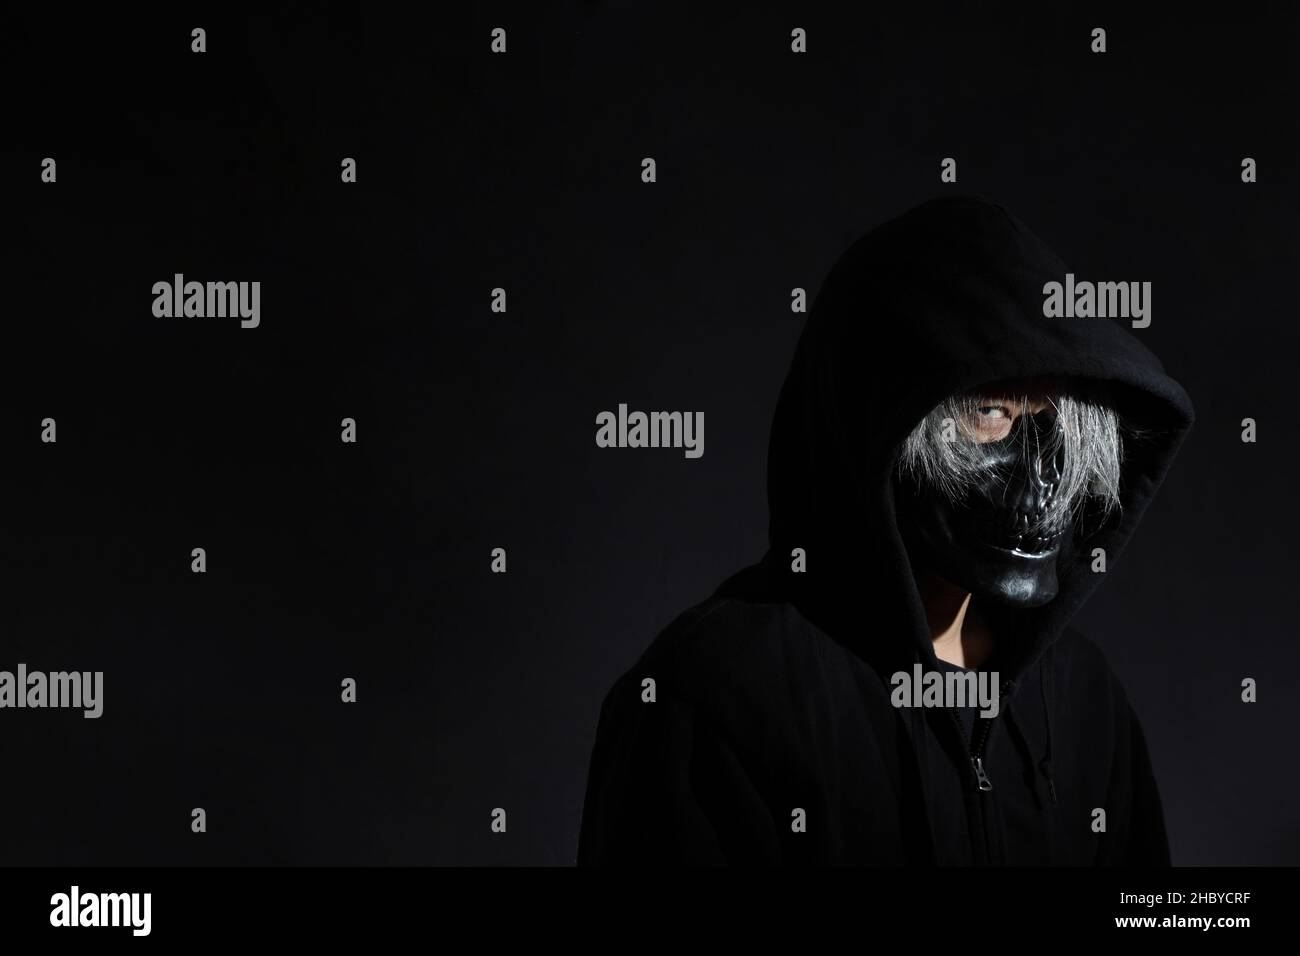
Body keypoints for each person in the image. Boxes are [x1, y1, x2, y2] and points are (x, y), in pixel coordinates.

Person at [576, 196, 1194, 865]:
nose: (1046, 475)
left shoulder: (1085, 701)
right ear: (877, 426)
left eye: (1060, 419)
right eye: (991, 411)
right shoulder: (711, 696)